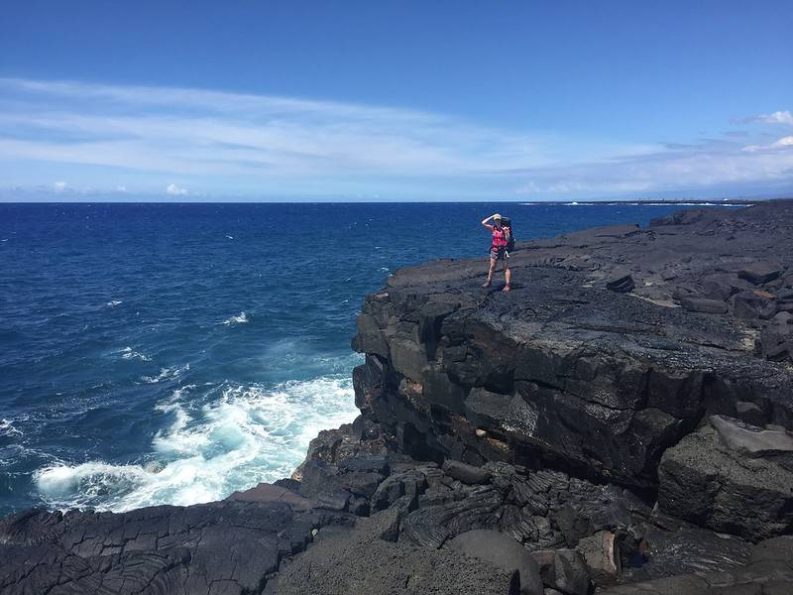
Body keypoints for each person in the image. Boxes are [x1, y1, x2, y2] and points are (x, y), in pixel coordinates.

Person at [481, 213, 512, 291]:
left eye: (498, 220)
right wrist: (492, 216)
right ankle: (489, 282)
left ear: (501, 220)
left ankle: (507, 285)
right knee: (492, 267)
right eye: (496, 220)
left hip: (503, 250)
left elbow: (508, 240)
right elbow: (483, 223)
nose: (497, 221)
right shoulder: (493, 228)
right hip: (494, 250)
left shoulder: (504, 229)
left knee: (505, 267)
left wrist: (507, 232)